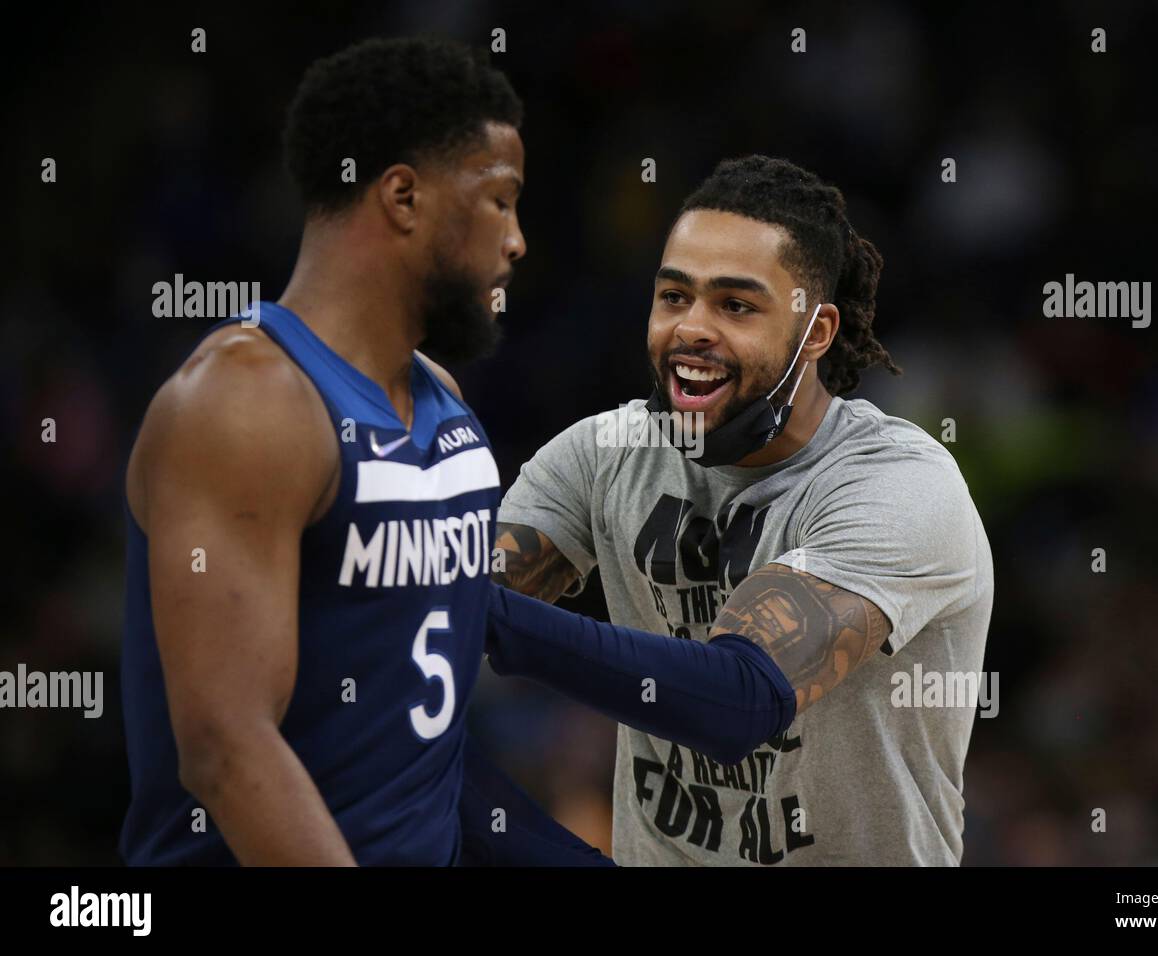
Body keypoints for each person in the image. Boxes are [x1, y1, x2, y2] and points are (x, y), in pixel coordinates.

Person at [119, 34, 607, 866]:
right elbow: (228, 752)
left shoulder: (447, 404)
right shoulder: (243, 404)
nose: (519, 240)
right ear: (403, 198)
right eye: (501, 200)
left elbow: (427, 754)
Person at [489, 155, 994, 865]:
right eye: (674, 297)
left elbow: (736, 702)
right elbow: (425, 634)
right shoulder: (605, 452)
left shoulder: (898, 485)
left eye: (735, 305)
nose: (691, 328)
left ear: (816, 332)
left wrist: (468, 609)